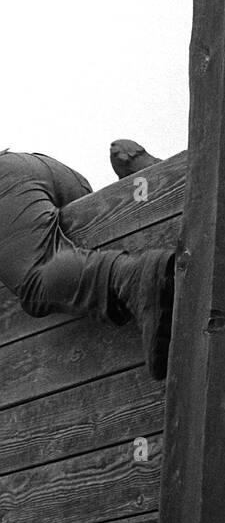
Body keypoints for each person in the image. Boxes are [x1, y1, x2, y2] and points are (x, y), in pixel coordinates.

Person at [0, 147, 175, 381]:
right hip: (51, 176)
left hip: (9, 180)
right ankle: (150, 182)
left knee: (36, 276)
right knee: (90, 239)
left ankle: (133, 277)